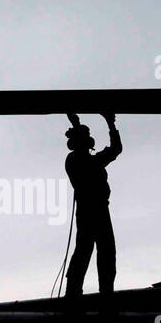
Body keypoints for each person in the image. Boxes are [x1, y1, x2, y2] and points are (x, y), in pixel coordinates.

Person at [63, 112, 122, 299]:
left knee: (99, 251)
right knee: (90, 250)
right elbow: (115, 149)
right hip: (92, 210)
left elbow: (115, 149)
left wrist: (109, 125)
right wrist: (109, 124)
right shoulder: (79, 160)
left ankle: (101, 290)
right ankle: (76, 292)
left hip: (96, 209)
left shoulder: (86, 160)